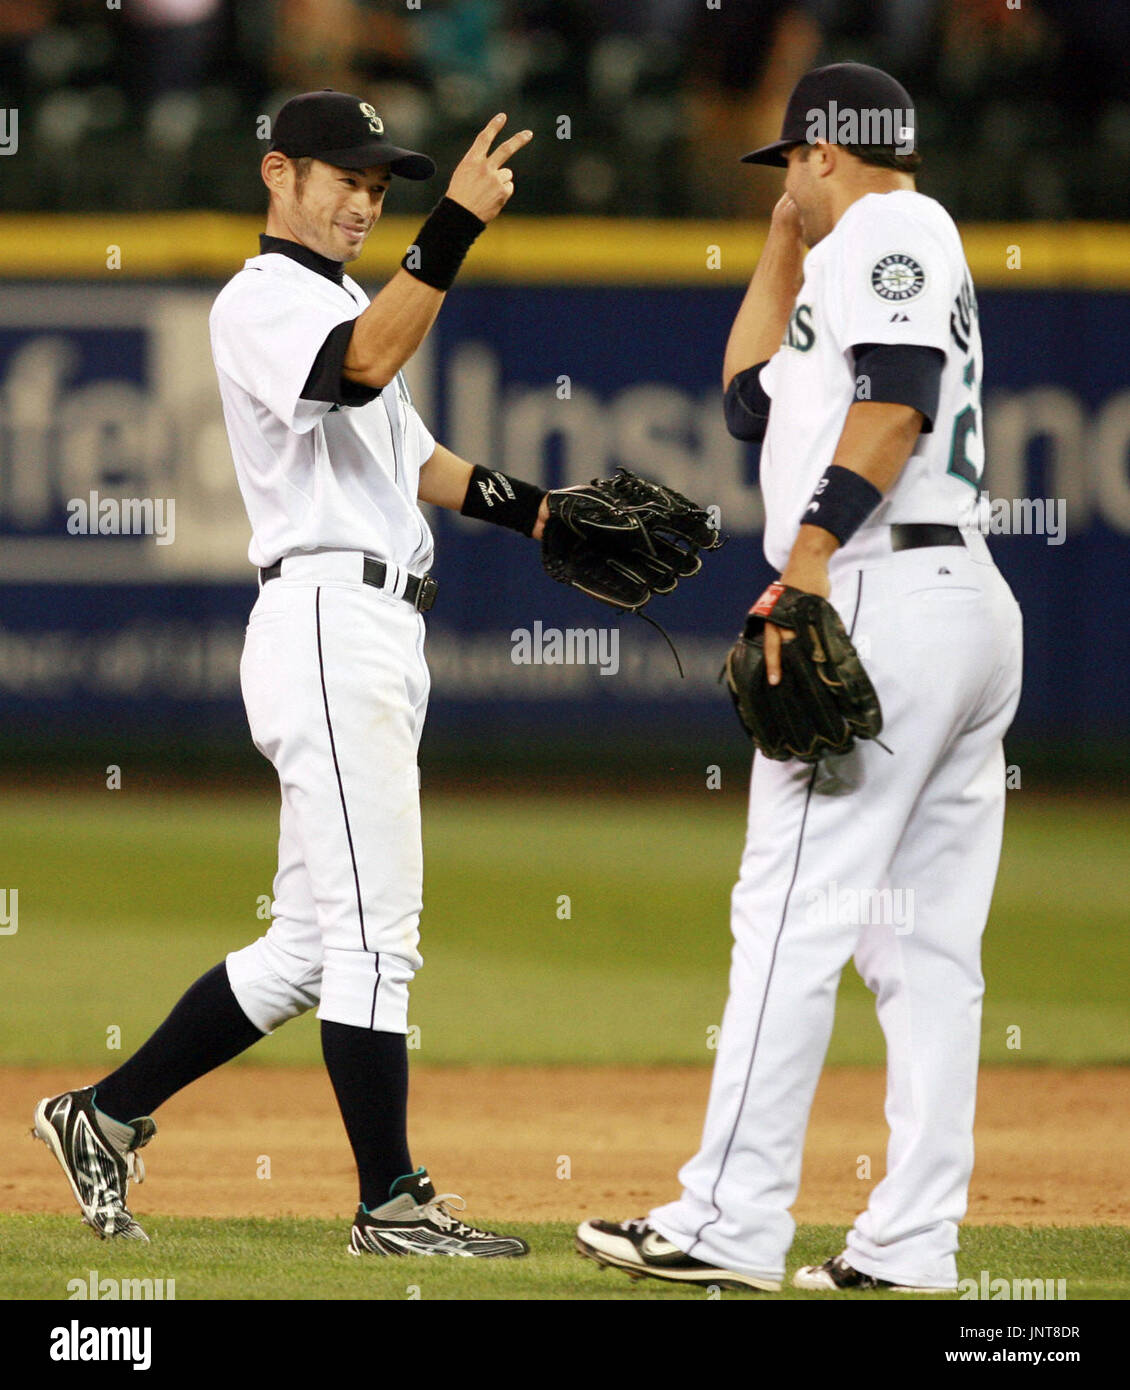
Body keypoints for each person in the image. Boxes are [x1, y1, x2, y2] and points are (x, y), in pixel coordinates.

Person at [33, 89, 557, 1260]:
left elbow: (411, 455)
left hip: (368, 624)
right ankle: (392, 1203)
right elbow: (359, 374)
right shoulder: (264, 298)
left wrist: (538, 515)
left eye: (382, 184)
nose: (366, 199)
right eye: (346, 176)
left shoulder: (343, 296)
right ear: (279, 175)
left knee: (312, 948)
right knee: (381, 935)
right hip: (328, 616)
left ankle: (103, 1115)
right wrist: (454, 227)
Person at [577, 62, 1023, 1293]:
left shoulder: (891, 224)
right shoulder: (845, 251)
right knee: (920, 948)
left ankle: (724, 1223)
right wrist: (778, 234)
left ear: (823, 146)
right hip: (949, 600)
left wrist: (809, 562)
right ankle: (907, 1245)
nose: (785, 189)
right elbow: (741, 401)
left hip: (882, 583)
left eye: (787, 167)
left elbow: (898, 406)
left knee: (786, 914)